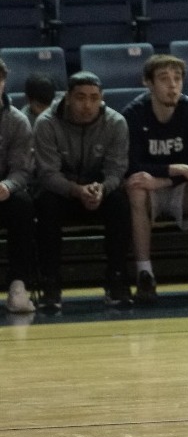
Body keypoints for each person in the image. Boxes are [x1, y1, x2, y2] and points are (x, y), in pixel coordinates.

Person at [122, 55, 188, 303]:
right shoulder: (134, 114)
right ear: (149, 83)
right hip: (149, 190)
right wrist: (179, 169)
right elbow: (132, 166)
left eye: (177, 79)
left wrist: (166, 179)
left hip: (175, 189)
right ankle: (145, 274)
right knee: (135, 188)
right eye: (164, 79)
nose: (173, 85)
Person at [34, 73, 133, 310]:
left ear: (101, 99)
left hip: (99, 192)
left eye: (94, 98)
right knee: (44, 203)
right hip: (62, 192)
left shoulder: (116, 122)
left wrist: (102, 188)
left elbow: (116, 169)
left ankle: (117, 279)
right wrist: (77, 190)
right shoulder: (46, 123)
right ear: (67, 98)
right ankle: (50, 283)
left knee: (120, 202)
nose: (87, 105)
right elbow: (47, 174)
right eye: (80, 97)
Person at [0, 59, 37, 313]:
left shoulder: (17, 120)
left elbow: (22, 169)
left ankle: (18, 285)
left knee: (23, 204)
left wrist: (7, 185)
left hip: (2, 193)